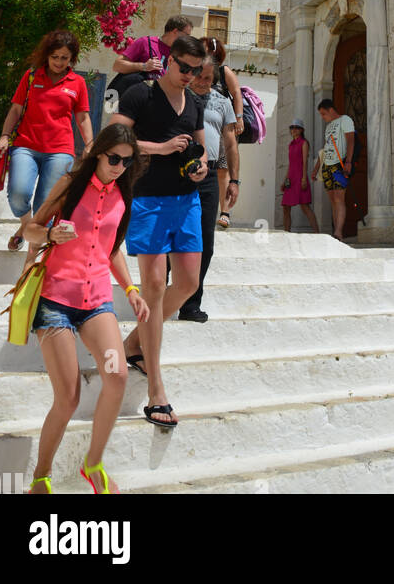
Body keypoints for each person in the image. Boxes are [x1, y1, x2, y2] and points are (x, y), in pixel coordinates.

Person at [21, 122, 150, 495]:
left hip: (96, 303)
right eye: (113, 159)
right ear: (98, 153)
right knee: (69, 397)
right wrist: (47, 235)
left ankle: (92, 464)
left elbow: (111, 250)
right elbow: (30, 228)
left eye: (127, 162)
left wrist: (131, 289)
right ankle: (41, 477)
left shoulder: (123, 197)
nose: (119, 167)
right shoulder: (71, 186)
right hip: (55, 304)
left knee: (118, 376)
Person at [111, 33, 208, 430]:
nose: (188, 75)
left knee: (186, 283)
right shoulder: (139, 95)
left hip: (187, 201)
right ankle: (156, 391)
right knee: (152, 285)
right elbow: (115, 139)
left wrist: (200, 165)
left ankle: (134, 343)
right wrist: (161, 148)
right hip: (148, 199)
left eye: (195, 70)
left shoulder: (197, 104)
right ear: (168, 60)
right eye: (183, 66)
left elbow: (201, 150)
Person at [0, 30, 93, 253]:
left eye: (64, 58)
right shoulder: (31, 76)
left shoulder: (77, 83)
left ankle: (31, 254)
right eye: (54, 56)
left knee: (45, 206)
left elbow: (83, 116)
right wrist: (4, 136)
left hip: (60, 150)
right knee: (18, 194)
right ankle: (26, 227)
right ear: (47, 56)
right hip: (25, 146)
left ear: (72, 59)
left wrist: (90, 143)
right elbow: (16, 109)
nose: (59, 62)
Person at [177, 55, 240, 322]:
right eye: (198, 76)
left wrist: (234, 180)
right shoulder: (177, 96)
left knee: (205, 242)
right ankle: (165, 295)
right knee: (175, 237)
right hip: (177, 173)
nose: (202, 82)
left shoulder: (222, 102)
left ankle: (191, 304)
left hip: (211, 174)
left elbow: (230, 142)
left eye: (207, 78)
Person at [202, 37, 244, 229]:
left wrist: (239, 118)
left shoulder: (223, 70)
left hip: (222, 124)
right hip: (204, 124)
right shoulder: (197, 68)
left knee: (222, 169)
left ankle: (225, 212)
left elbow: (236, 93)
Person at [310, 100, 355, 242]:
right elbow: (325, 149)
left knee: (339, 198)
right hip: (327, 166)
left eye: (323, 113)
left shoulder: (345, 120)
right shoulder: (328, 127)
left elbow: (350, 140)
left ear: (330, 110)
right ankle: (336, 233)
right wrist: (316, 168)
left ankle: (338, 232)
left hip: (339, 164)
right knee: (332, 200)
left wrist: (348, 161)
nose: (323, 117)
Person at [109, 15, 193, 85]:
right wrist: (144, 66)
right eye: (187, 35)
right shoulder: (145, 42)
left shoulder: (179, 55)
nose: (187, 39)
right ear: (175, 31)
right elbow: (117, 65)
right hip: (134, 98)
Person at [281, 121, 318, 233]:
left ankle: (317, 233)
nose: (294, 130)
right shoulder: (291, 145)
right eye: (292, 127)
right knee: (286, 207)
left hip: (300, 177)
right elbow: (290, 164)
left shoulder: (304, 143)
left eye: (297, 127)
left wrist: (303, 179)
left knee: (305, 206)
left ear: (302, 130)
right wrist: (285, 180)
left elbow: (304, 162)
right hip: (291, 179)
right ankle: (286, 233)